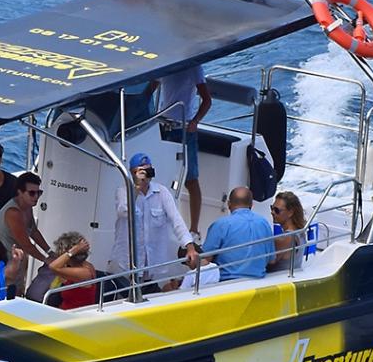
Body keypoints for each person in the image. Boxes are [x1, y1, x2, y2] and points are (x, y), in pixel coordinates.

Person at [110, 152, 199, 291]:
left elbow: (176, 220)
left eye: (148, 169)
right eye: (141, 170)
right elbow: (123, 211)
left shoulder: (162, 192)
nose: (145, 174)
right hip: (126, 266)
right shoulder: (123, 191)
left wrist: (190, 247)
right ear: (132, 172)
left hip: (152, 268)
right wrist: (137, 188)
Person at [153, 63, 212, 232]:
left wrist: (195, 122)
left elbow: (207, 100)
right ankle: (160, 221)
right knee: (161, 177)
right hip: (163, 126)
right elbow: (150, 88)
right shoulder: (166, 62)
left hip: (184, 129)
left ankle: (194, 229)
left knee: (191, 180)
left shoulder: (194, 66)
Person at [0, 171, 51, 290]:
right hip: (3, 263)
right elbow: (27, 245)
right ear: (20, 192)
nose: (36, 197)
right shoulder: (13, 213)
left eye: (39, 193)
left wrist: (50, 251)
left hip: (16, 260)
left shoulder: (27, 206)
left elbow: (33, 231)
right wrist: (47, 260)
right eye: (32, 193)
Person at [200, 185, 274, 281]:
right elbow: (271, 260)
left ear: (228, 204)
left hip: (227, 282)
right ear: (251, 204)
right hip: (258, 281)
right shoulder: (264, 223)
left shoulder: (220, 225)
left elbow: (205, 258)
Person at [26, 230, 98, 309]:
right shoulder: (80, 266)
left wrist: (72, 251)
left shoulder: (84, 272)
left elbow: (53, 267)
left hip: (74, 314)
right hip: (64, 310)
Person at [270, 190, 320, 271]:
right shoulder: (300, 231)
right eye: (272, 208)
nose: (272, 212)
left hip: (280, 279)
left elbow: (269, 263)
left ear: (290, 213)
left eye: (276, 210)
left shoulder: (285, 238)